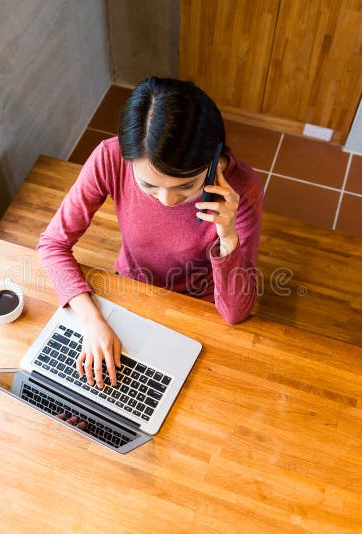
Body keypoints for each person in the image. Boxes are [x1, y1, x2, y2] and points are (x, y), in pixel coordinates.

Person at [38, 77, 263, 391]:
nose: (167, 200)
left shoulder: (243, 190)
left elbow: (236, 312)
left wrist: (228, 235)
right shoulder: (110, 158)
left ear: (212, 163)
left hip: (198, 307)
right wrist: (91, 321)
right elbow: (52, 244)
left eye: (185, 186)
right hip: (129, 289)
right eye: (148, 186)